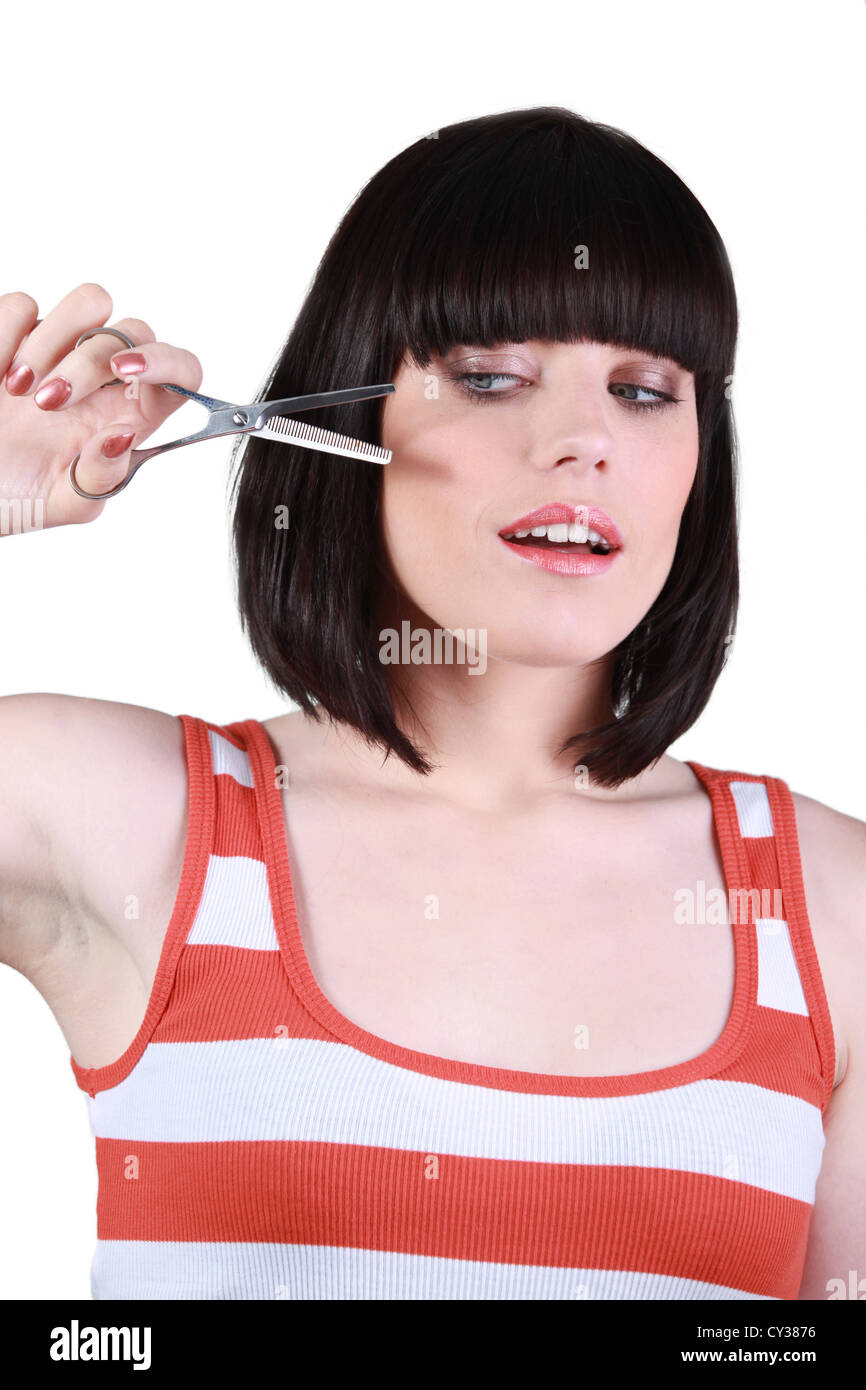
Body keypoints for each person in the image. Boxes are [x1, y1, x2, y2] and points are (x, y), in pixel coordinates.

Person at [1, 106, 862, 1302]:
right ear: (344, 420)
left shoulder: (833, 910)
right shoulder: (106, 812)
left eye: (644, 389)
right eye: (492, 375)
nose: (580, 441)